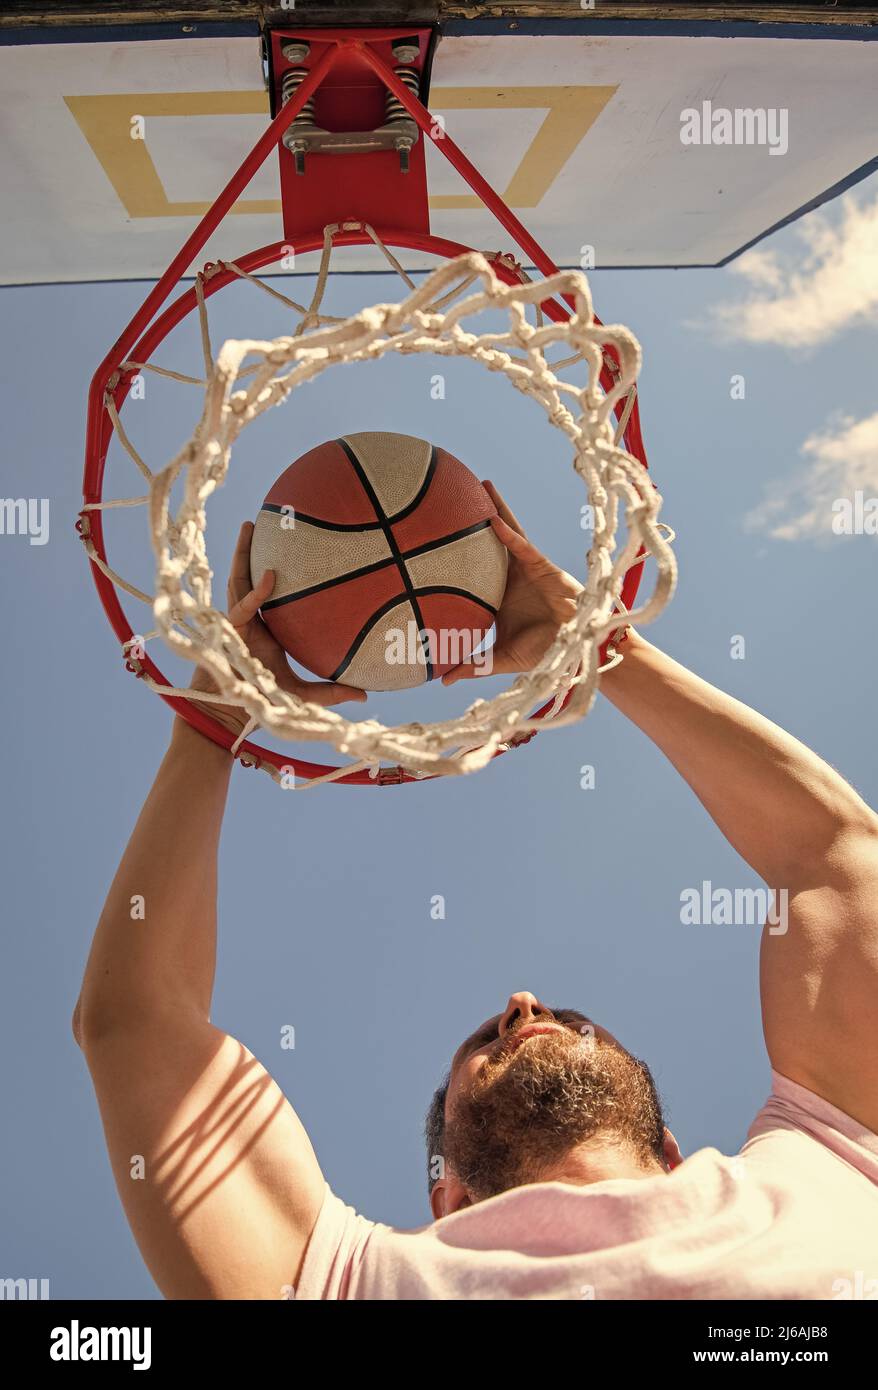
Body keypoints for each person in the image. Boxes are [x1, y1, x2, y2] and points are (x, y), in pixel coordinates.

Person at [73, 484, 878, 1300]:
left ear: (671, 1152)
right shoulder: (346, 1279)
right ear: (446, 1195)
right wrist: (211, 721)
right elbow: (134, 1024)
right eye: (488, 1038)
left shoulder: (831, 1166)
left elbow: (836, 854)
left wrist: (592, 648)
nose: (524, 1005)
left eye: (555, 1018)